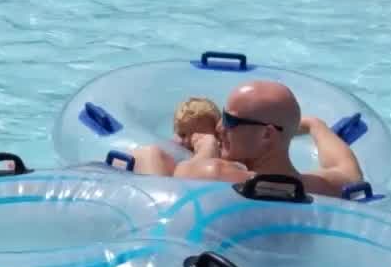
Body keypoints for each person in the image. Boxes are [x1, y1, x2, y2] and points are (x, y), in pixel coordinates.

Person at [132, 82, 365, 198]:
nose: (220, 127)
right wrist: (315, 124)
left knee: (149, 154)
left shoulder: (215, 174)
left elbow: (185, 174)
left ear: (267, 135)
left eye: (230, 121)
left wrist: (207, 147)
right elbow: (348, 170)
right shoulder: (317, 188)